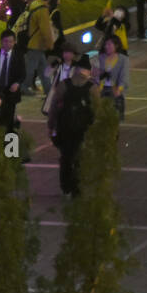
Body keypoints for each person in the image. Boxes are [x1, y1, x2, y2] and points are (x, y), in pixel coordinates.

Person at [49, 58, 97, 196]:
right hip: (84, 130)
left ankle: (65, 186)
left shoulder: (64, 85)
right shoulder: (92, 88)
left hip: (65, 129)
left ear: (75, 70)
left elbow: (54, 108)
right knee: (80, 158)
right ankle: (77, 187)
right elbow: (98, 111)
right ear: (88, 71)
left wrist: (51, 126)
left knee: (66, 157)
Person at [23, 0, 56, 99]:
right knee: (31, 68)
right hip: (36, 43)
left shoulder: (33, 6)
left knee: (43, 68)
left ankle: (48, 89)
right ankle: (24, 86)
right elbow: (45, 29)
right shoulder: (42, 9)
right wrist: (50, 43)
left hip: (34, 42)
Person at [94, 35, 130, 120]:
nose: (107, 47)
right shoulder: (100, 58)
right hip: (102, 90)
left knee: (114, 118)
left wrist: (119, 89)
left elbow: (124, 77)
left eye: (109, 44)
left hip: (115, 90)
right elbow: (94, 74)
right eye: (105, 44)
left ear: (116, 45)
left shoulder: (123, 60)